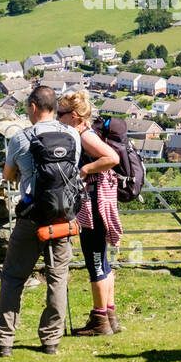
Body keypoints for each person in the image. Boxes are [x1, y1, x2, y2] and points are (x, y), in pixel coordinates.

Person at [0, 85, 81, 357]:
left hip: (31, 217)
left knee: (14, 276)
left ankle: (3, 341)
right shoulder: (72, 134)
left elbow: (8, 174)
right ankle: (51, 340)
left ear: (34, 107)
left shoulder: (21, 138)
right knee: (58, 277)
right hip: (62, 217)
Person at [55, 90, 121, 336]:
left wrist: (85, 170)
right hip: (98, 203)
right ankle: (110, 313)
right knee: (103, 260)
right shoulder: (84, 133)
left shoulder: (84, 136)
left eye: (60, 114)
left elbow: (112, 157)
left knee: (95, 263)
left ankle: (100, 320)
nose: (57, 118)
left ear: (73, 116)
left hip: (92, 207)